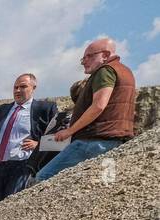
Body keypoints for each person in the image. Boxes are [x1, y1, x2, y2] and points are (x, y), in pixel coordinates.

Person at [36, 38, 136, 183]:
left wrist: (69, 131)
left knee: (44, 178)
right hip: (114, 141)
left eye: (89, 56)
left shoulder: (105, 71)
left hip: (93, 141)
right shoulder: (125, 72)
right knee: (105, 184)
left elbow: (99, 105)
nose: (84, 61)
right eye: (83, 58)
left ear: (105, 55)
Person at [0, 74, 56, 207]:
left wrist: (39, 144)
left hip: (20, 167)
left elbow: (57, 136)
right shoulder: (2, 110)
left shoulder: (44, 109)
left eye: (23, 87)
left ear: (34, 88)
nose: (18, 90)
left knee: (12, 207)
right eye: (15, 87)